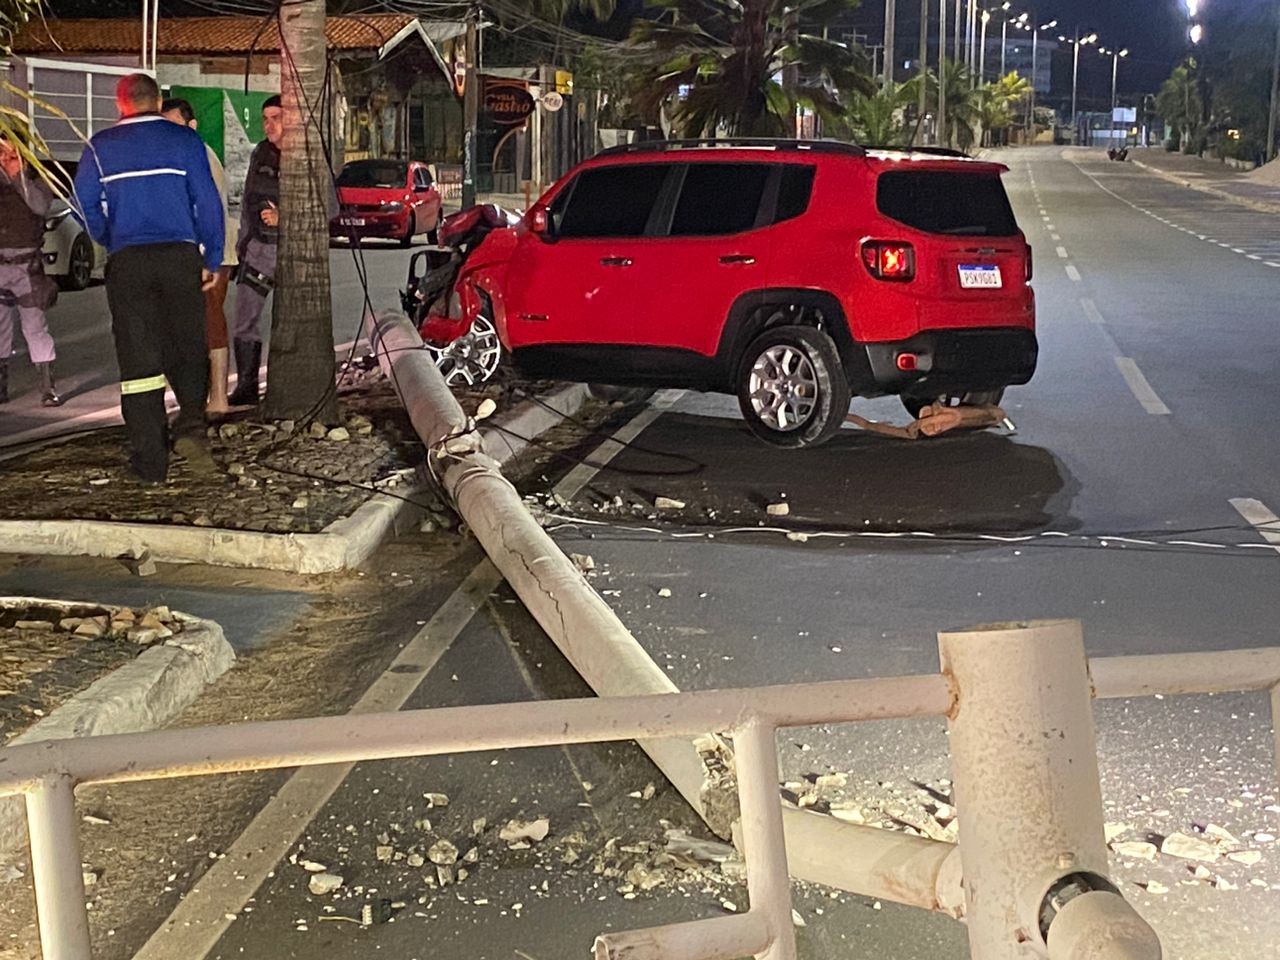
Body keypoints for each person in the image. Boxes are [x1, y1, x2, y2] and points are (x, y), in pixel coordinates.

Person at [73, 73, 224, 482]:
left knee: (138, 359)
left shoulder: (99, 148)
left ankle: (150, 460)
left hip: (128, 262)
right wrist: (211, 254)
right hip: (179, 256)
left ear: (119, 103)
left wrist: (109, 237)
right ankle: (191, 424)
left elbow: (84, 206)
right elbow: (207, 202)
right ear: (158, 100)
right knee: (188, 342)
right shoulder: (185, 142)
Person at [161, 97, 238, 416]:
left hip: (212, 250)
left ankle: (218, 396)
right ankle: (194, 396)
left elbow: (208, 208)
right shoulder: (177, 156)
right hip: (185, 251)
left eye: (173, 125)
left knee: (210, 319)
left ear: (191, 126)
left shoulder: (201, 156)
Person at [227, 94, 283, 407]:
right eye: (265, 118)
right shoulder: (261, 152)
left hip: (292, 252)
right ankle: (247, 386)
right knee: (244, 319)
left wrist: (283, 217)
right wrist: (243, 244)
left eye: (276, 117)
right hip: (259, 248)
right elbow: (249, 198)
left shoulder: (307, 153)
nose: (269, 125)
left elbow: (327, 207)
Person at [0, 131, 63, 407]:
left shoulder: (37, 182)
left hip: (27, 268)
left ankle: (48, 387)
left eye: (11, 154)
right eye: (1, 154)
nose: (5, 159)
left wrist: (19, 177)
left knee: (35, 327)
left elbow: (39, 205)